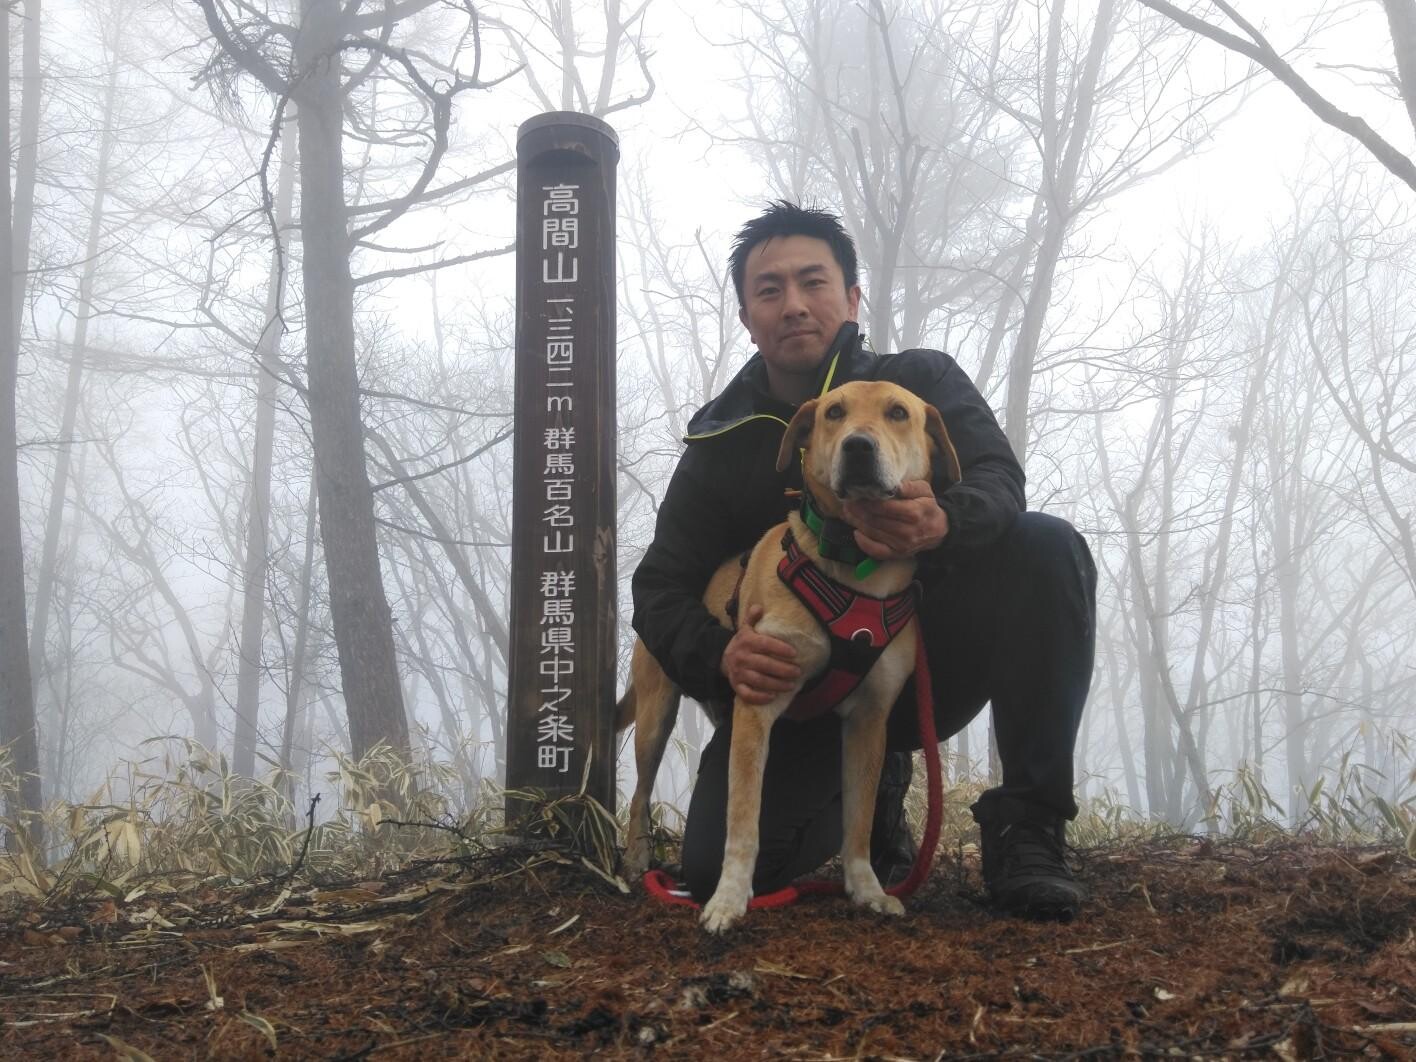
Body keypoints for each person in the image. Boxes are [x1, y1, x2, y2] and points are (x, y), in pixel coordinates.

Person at [630, 201, 1097, 920]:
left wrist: (946, 518)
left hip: (930, 654)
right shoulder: (720, 444)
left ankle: (1029, 826)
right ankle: (869, 807)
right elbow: (659, 585)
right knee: (709, 865)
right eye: (769, 291)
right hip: (800, 696)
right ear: (747, 318)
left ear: (851, 297)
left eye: (813, 283)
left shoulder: (920, 384)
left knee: (1047, 545)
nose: (793, 306)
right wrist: (722, 654)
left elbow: (1000, 480)